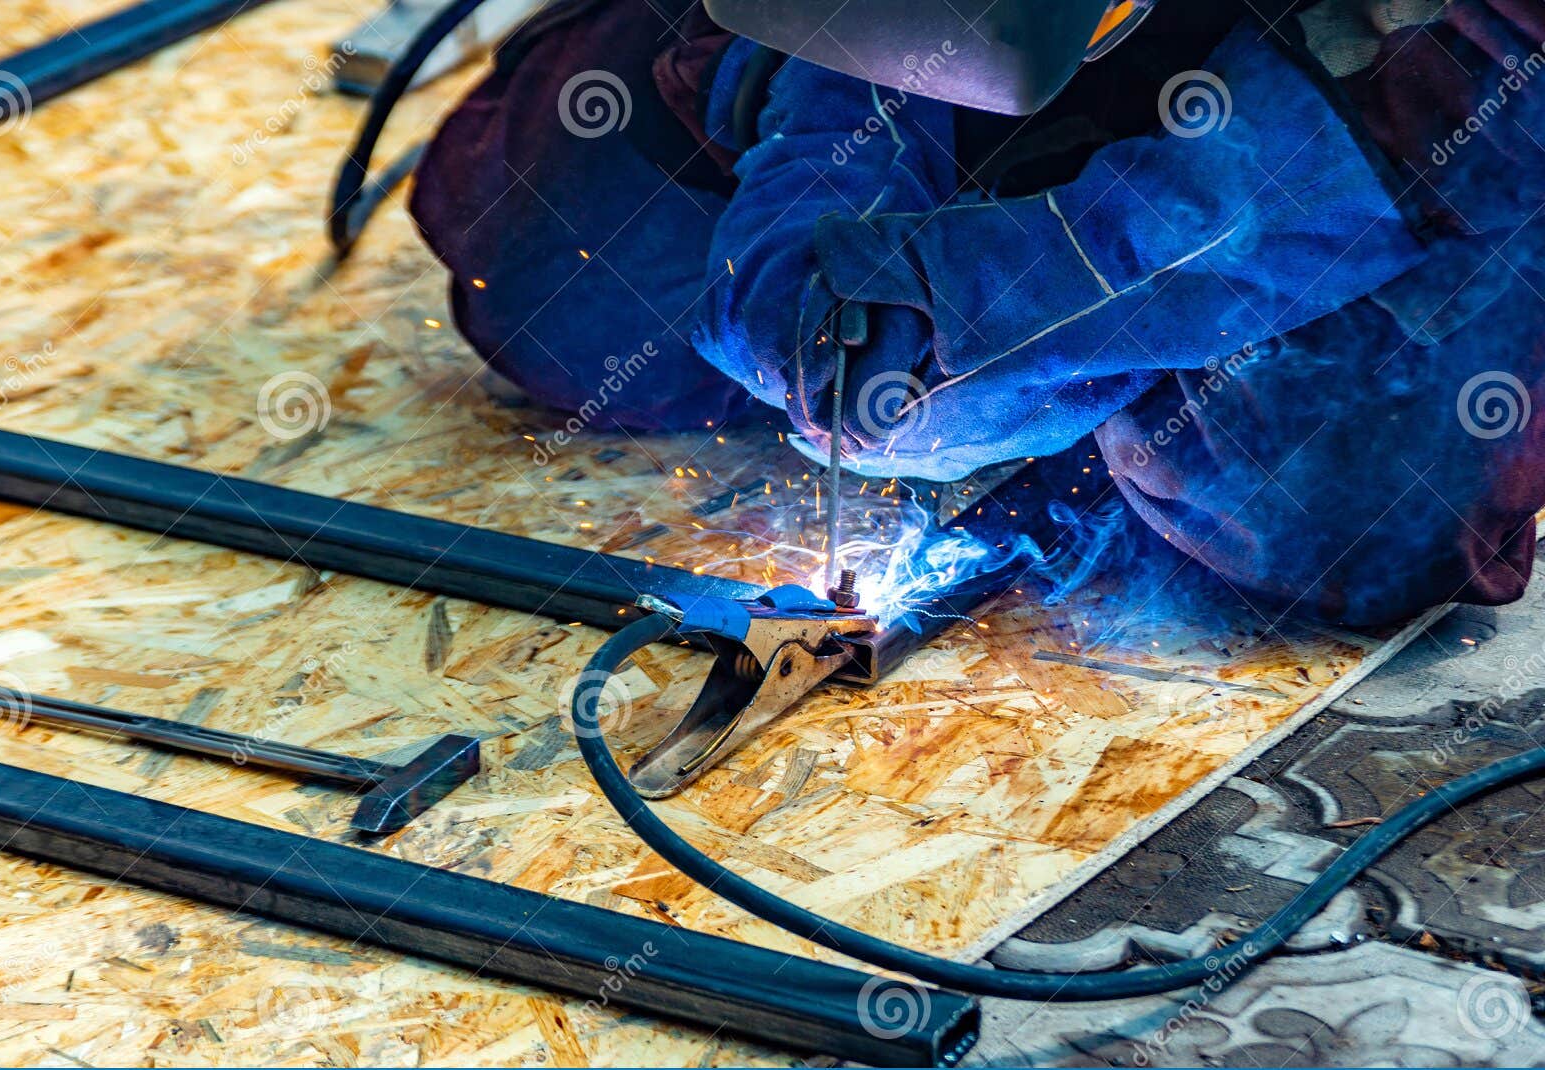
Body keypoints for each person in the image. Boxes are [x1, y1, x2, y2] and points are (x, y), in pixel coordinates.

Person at [410, 0, 1545, 625]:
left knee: (1330, 493)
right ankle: (1060, 364)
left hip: (1411, 86)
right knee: (566, 277)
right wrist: (820, 148)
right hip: (1057, 34)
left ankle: (1098, 371)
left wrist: (1056, 281)